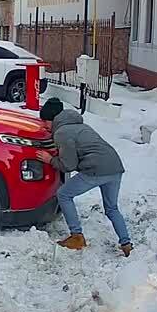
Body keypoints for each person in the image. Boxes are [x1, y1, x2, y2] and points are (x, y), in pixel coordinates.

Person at [33, 97, 132, 256]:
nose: (44, 125)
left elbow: (69, 165)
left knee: (64, 194)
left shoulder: (62, 133)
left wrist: (50, 160)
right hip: (115, 167)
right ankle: (126, 244)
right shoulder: (80, 126)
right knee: (112, 208)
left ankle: (77, 236)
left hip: (96, 169)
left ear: (53, 119)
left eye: (45, 121)